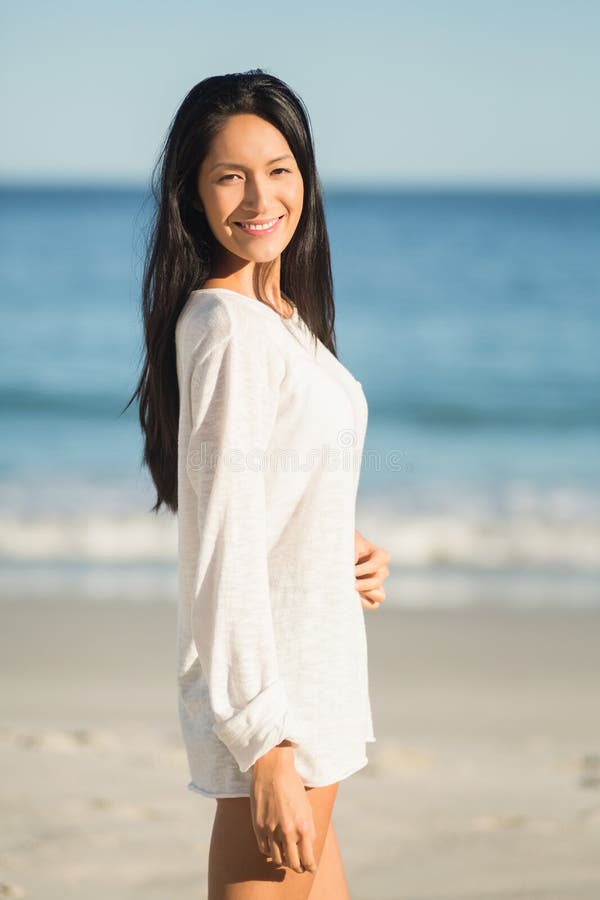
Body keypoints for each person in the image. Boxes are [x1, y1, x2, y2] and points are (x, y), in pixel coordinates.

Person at [132, 69, 390, 899]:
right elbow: (220, 550)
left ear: (304, 176)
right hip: (276, 711)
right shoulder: (227, 329)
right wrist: (265, 743)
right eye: (228, 175)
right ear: (195, 195)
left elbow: (263, 495)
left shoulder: (284, 321)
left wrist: (333, 543)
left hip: (314, 690)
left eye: (278, 168)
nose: (258, 197)